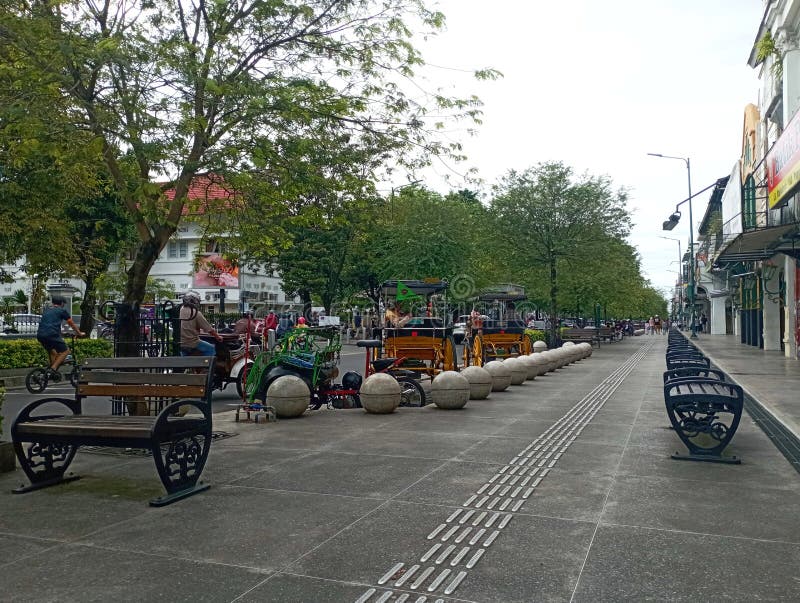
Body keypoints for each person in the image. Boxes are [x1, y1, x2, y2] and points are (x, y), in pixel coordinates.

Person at [36, 297, 85, 380]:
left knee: (53, 352)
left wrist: (62, 333)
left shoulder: (47, 310)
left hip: (40, 335)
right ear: (62, 303)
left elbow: (49, 324)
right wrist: (79, 333)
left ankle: (51, 373)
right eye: (64, 303)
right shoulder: (62, 311)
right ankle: (53, 368)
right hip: (52, 335)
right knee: (66, 351)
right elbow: (71, 323)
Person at [179, 291, 223, 356]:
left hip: (179, 342)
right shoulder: (196, 313)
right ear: (195, 301)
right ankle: (207, 363)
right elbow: (209, 329)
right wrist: (218, 337)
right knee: (211, 348)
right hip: (191, 342)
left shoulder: (180, 309)